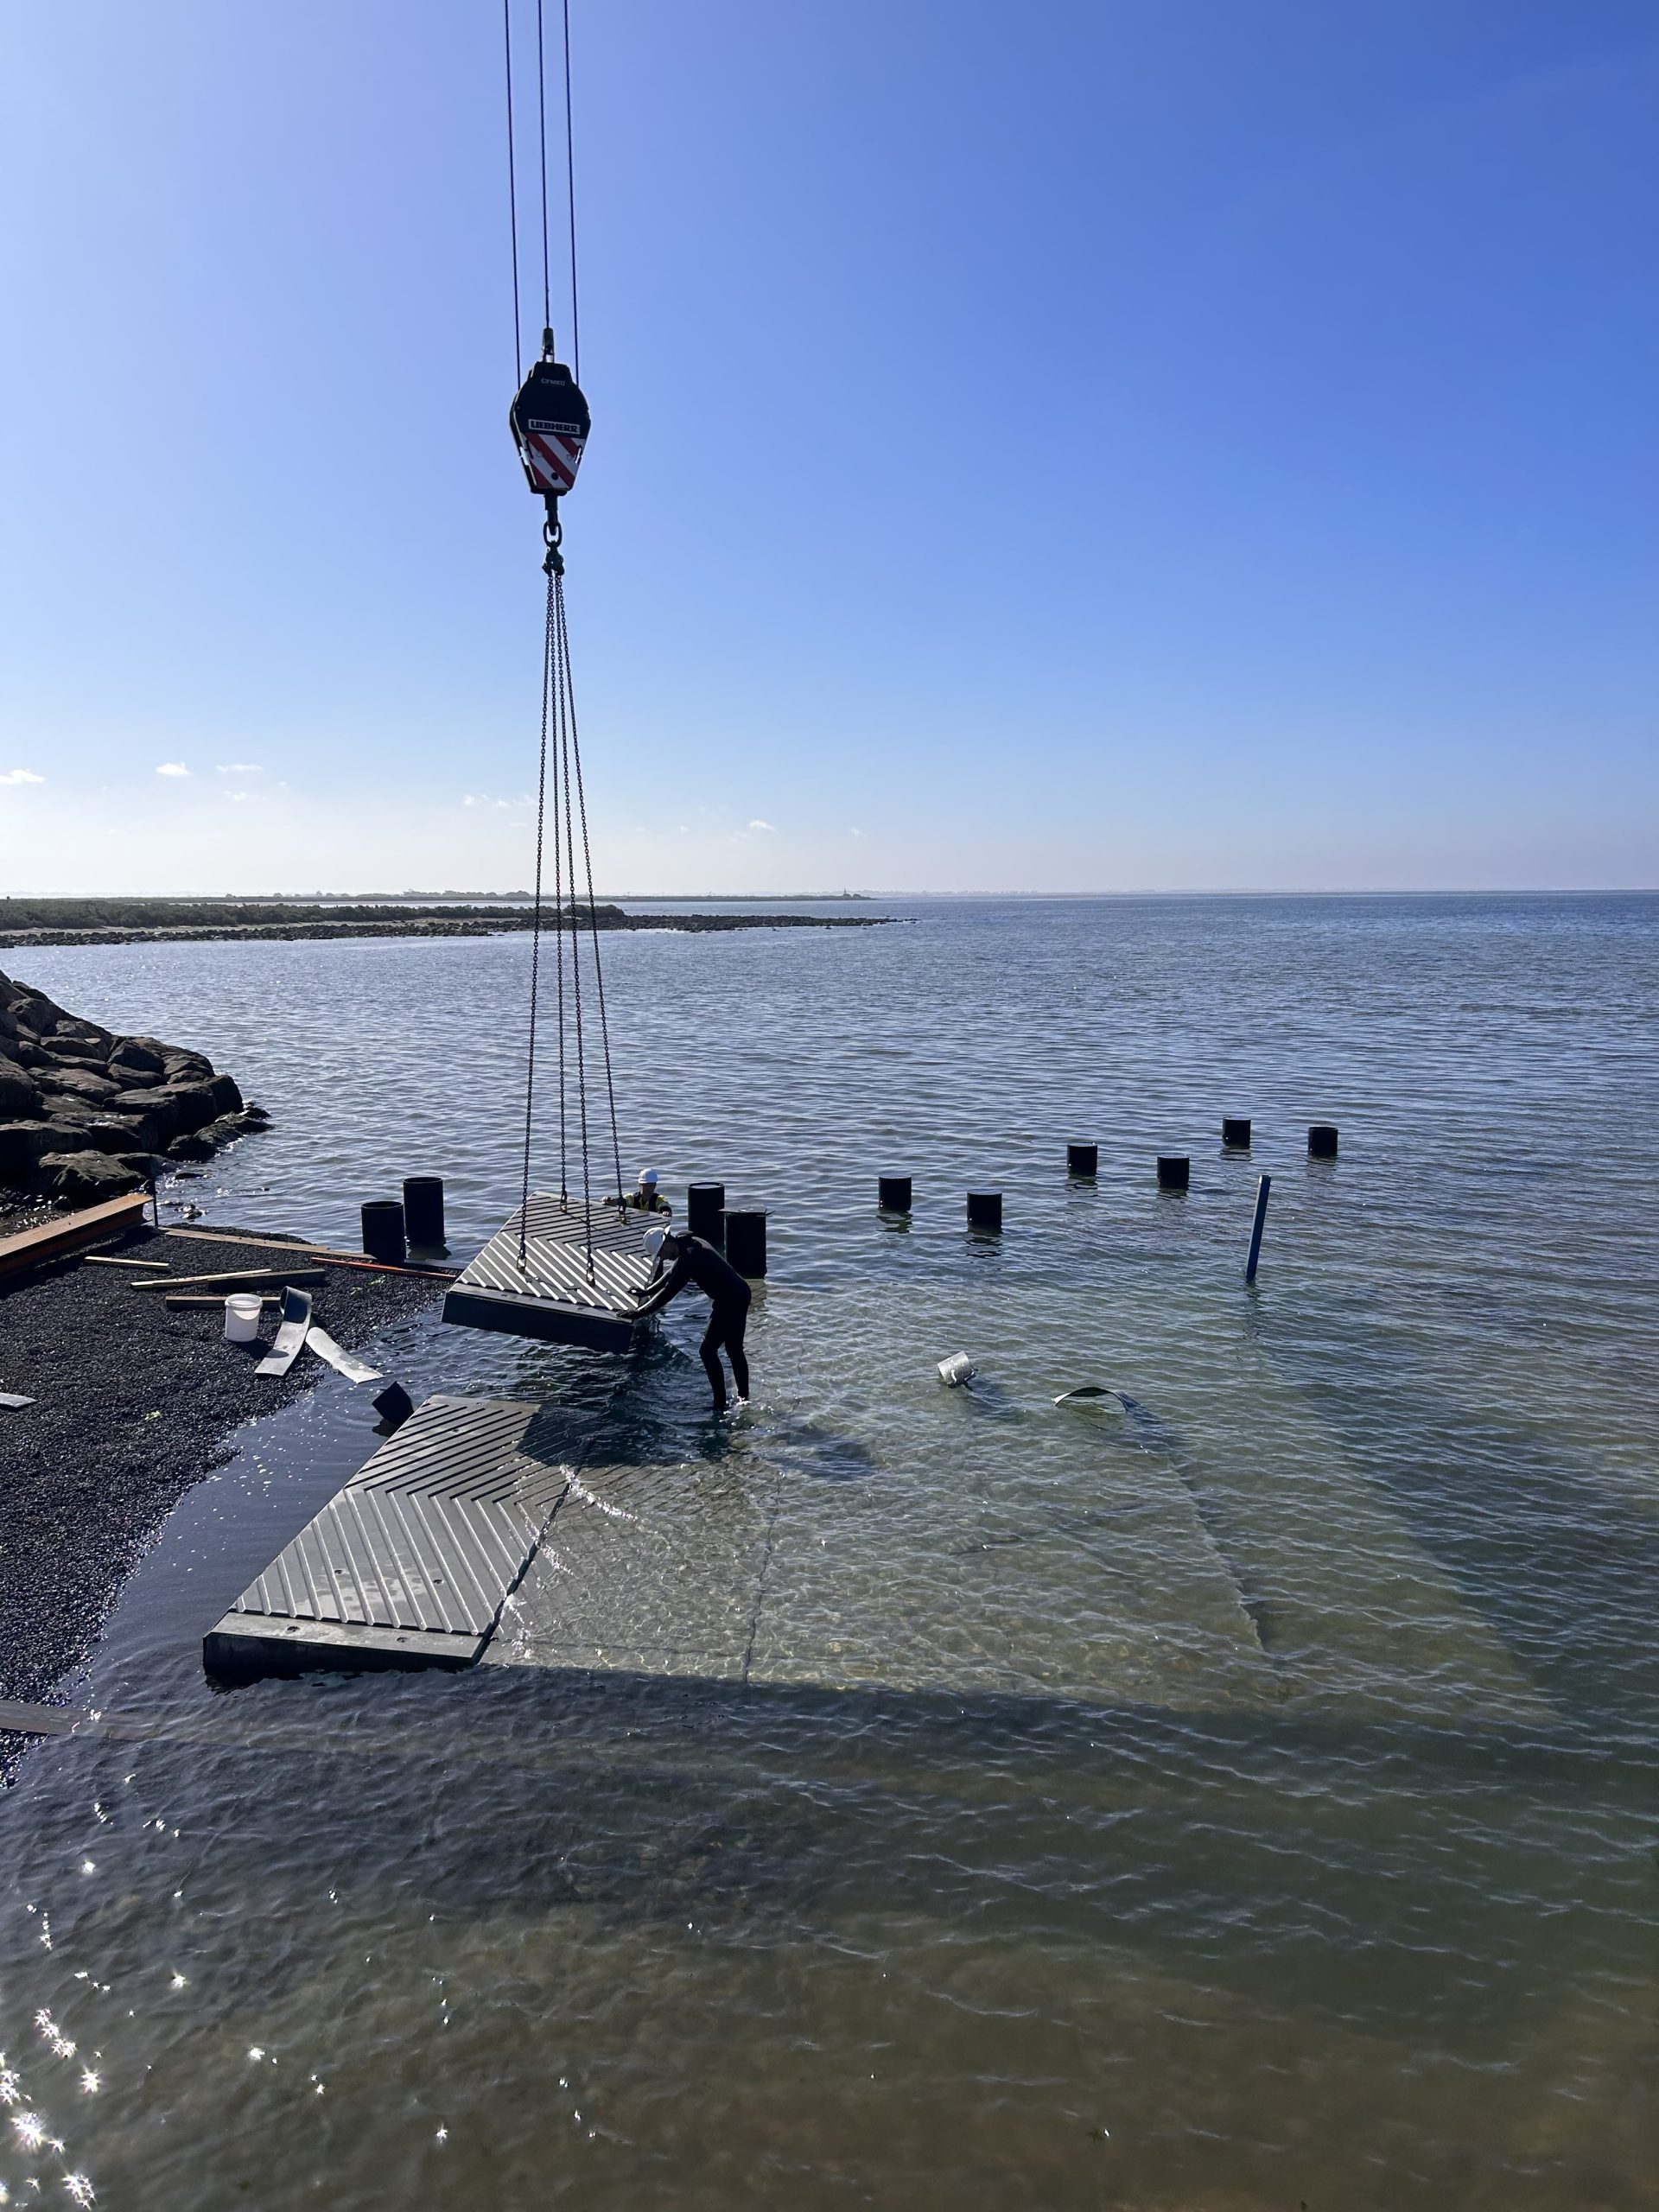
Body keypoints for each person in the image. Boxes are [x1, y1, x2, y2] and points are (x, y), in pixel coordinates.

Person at [632, 1226, 750, 1414]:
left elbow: (669, 1292)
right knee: (733, 1350)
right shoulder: (688, 1244)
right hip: (740, 1293)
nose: (662, 1258)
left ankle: (720, 1406)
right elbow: (672, 1273)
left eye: (660, 1254)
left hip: (730, 1301)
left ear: (666, 1244)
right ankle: (744, 1399)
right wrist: (648, 1291)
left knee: (707, 1351)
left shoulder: (691, 1256)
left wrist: (639, 1313)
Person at [606, 1167, 671, 1215]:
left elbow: (664, 1206)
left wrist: (666, 1211)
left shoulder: (659, 1199)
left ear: (655, 1186)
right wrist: (610, 1201)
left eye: (651, 1186)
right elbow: (621, 1201)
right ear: (640, 1185)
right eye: (645, 1185)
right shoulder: (632, 1198)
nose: (648, 1189)